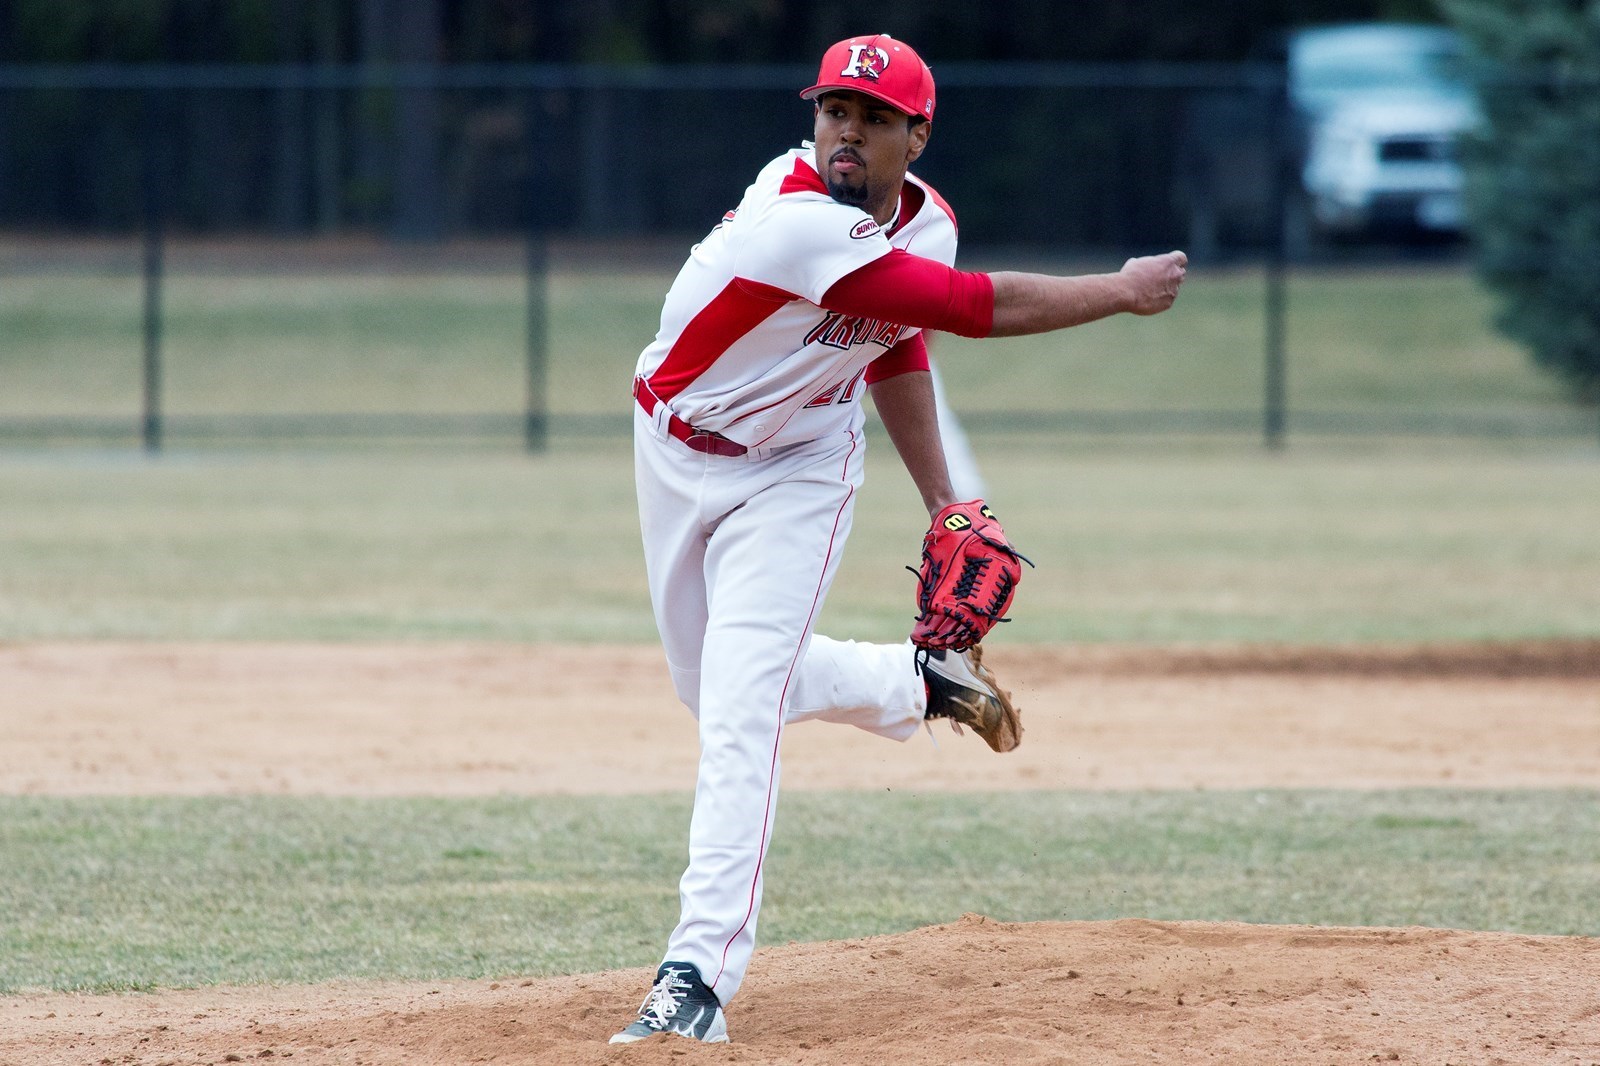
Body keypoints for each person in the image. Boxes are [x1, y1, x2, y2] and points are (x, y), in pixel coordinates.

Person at [614, 33, 1186, 1045]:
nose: (848, 131)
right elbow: (972, 308)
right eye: (836, 109)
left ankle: (695, 974)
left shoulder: (927, 228)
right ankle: (917, 683)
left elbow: (896, 340)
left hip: (799, 468)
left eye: (875, 119)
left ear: (915, 136)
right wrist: (1120, 289)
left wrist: (942, 501)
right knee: (711, 685)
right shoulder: (791, 219)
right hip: (673, 443)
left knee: (740, 707)